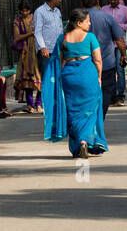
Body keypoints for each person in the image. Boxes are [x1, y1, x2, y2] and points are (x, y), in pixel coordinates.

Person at [43, 8, 109, 159]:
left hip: (69, 77)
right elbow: (98, 60)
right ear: (79, 23)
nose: (90, 24)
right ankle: (85, 140)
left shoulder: (63, 38)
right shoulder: (90, 37)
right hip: (88, 75)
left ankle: (78, 143)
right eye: (87, 21)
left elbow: (59, 62)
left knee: (73, 111)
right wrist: (99, 77)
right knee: (91, 110)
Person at [83, 0, 127, 116]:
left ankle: (89, 120)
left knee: (87, 93)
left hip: (84, 64)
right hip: (106, 63)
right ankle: (98, 119)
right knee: (105, 92)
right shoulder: (107, 17)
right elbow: (119, 39)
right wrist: (123, 55)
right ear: (97, 2)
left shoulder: (78, 19)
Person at [11, 0, 42, 113]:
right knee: (27, 80)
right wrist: (30, 33)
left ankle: (39, 104)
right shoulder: (17, 21)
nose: (25, 13)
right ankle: (30, 105)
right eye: (22, 11)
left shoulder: (36, 18)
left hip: (38, 52)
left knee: (40, 77)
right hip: (25, 55)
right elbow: (17, 37)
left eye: (27, 10)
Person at [105, 0, 127, 105]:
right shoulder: (104, 9)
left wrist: (117, 26)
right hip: (107, 45)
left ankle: (121, 95)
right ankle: (112, 95)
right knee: (109, 70)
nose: (112, 2)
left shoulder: (125, 10)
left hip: (120, 45)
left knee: (120, 70)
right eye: (111, 0)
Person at [34, 0, 64, 89]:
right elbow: (37, 32)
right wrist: (43, 47)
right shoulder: (40, 12)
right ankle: (45, 100)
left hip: (58, 49)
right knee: (47, 75)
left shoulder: (57, 11)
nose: (60, 1)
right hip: (46, 51)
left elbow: (60, 29)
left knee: (57, 75)